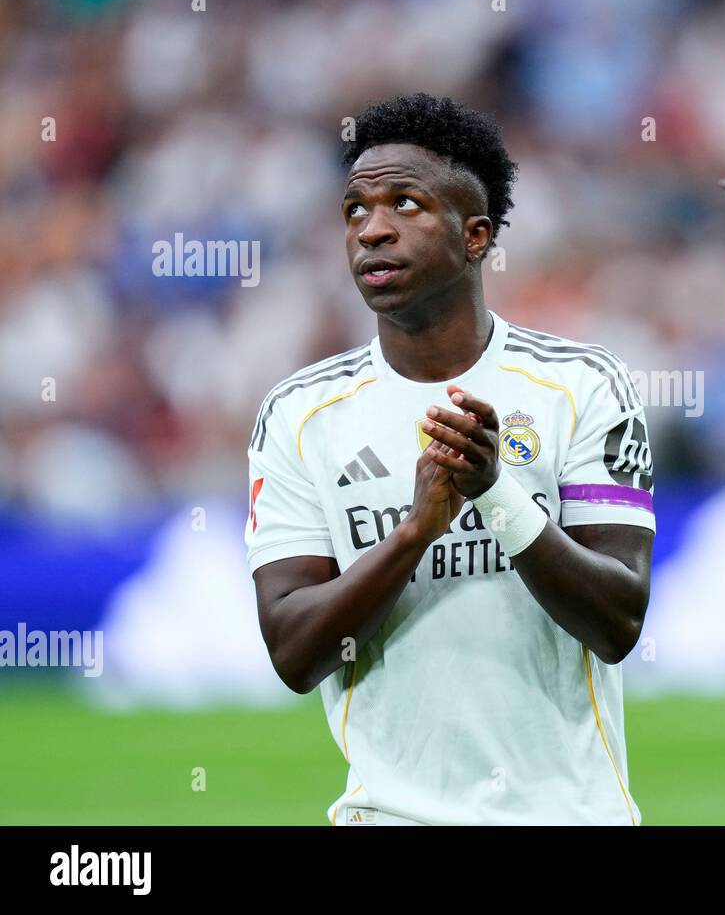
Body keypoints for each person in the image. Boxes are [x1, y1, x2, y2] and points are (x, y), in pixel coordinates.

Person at [244, 93, 654, 825]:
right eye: (354, 210)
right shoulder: (300, 415)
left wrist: (496, 495)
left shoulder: (583, 385)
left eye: (405, 203)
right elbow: (295, 654)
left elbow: (618, 622)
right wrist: (413, 532)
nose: (371, 230)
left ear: (475, 237)